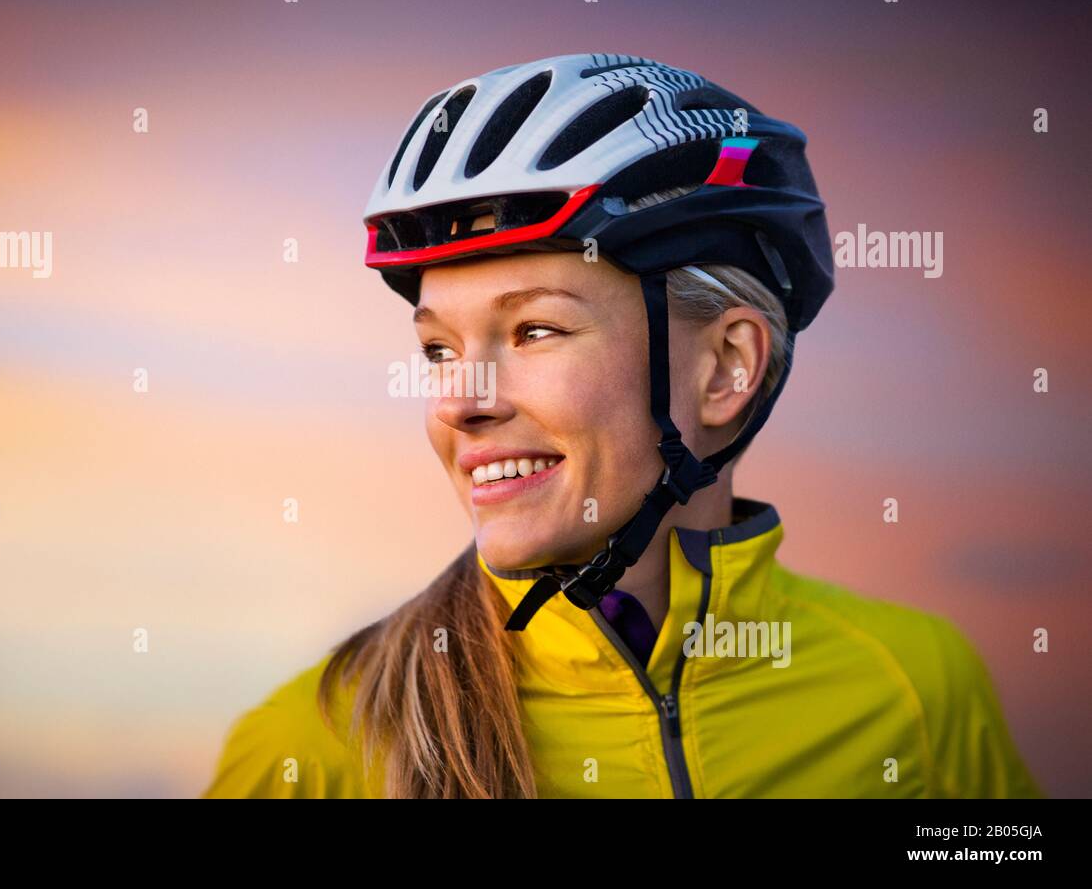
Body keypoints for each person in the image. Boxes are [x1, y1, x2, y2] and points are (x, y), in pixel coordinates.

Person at [203, 53, 1043, 799]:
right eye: (436, 348)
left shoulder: (917, 685)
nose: (461, 402)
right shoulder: (310, 751)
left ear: (725, 369)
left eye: (534, 331)